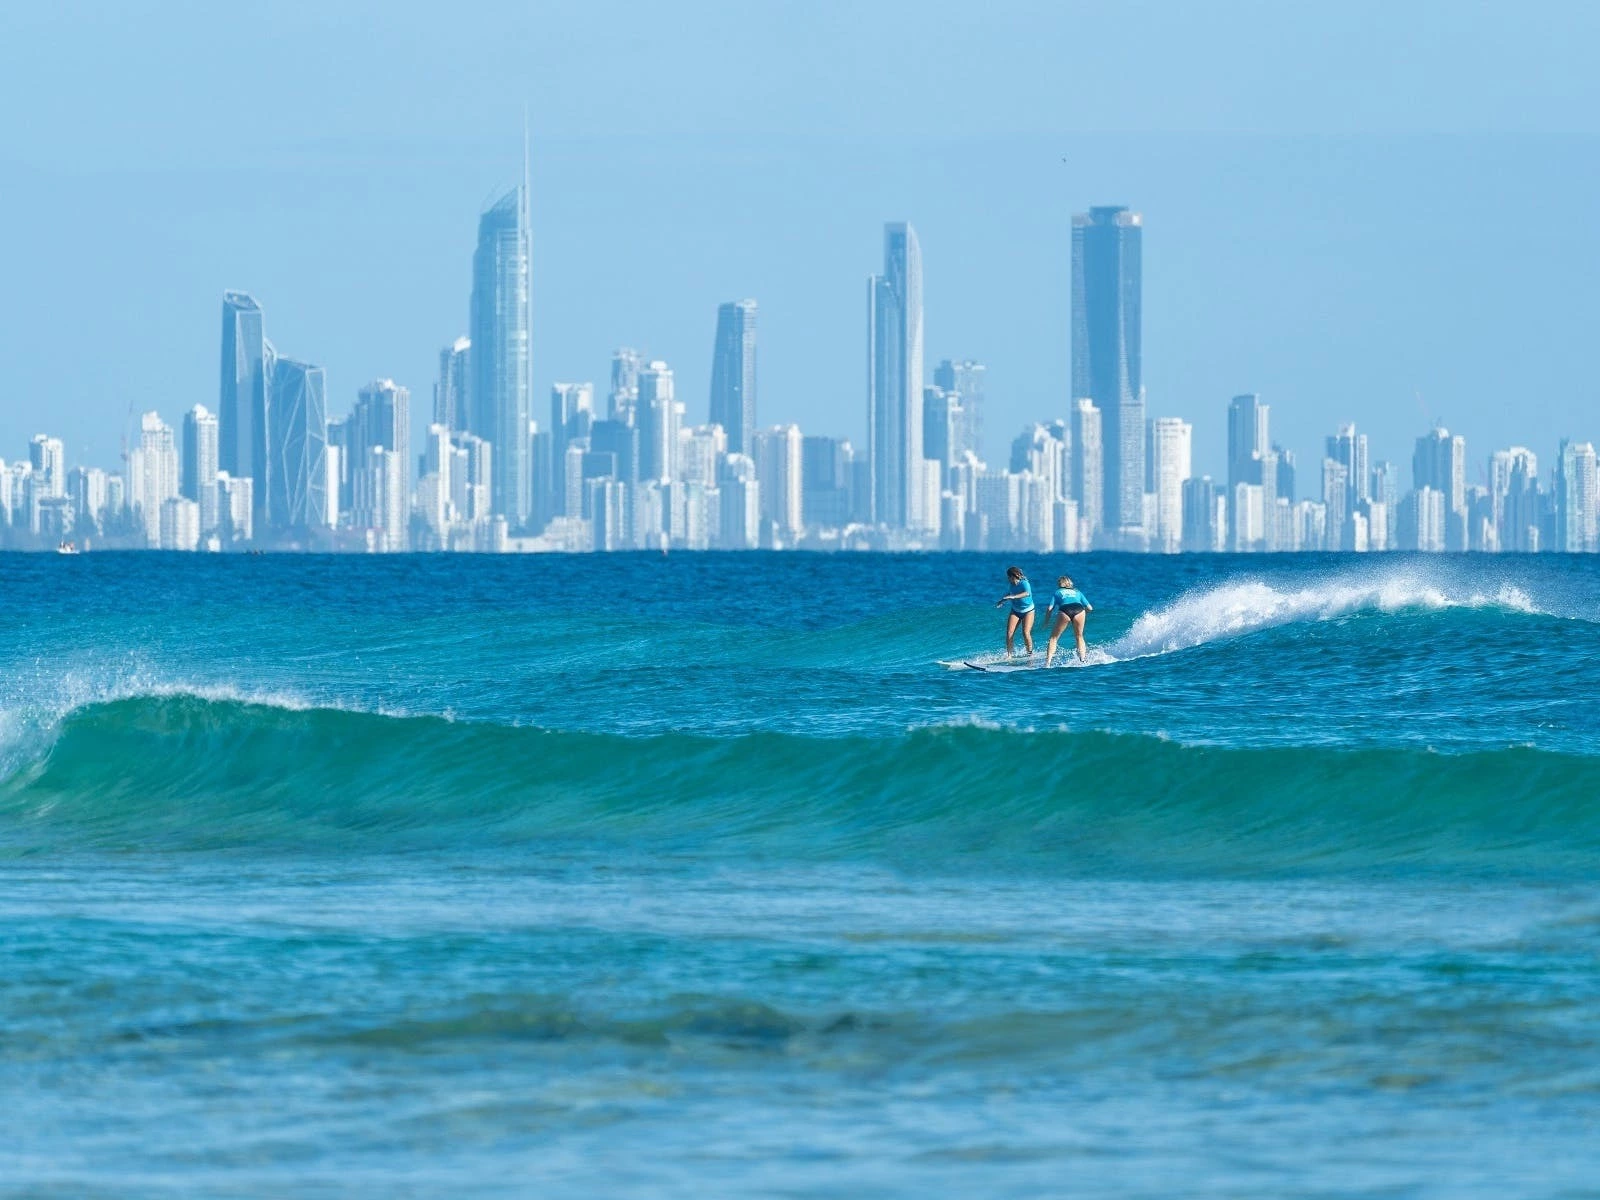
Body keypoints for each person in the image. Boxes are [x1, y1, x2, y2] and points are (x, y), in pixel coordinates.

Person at [1043, 575, 1092, 666]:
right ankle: (1082, 660)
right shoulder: (1077, 592)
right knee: (1079, 636)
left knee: (1053, 638)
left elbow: (1050, 608)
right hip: (1079, 609)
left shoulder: (1057, 592)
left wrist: (1046, 621)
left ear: (1060, 584)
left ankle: (1048, 663)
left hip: (1065, 610)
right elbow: (1090, 608)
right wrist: (1083, 613)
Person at [994, 566, 1035, 657]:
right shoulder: (1011, 585)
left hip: (1028, 611)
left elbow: (1026, 593)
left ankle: (1030, 654)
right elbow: (1010, 593)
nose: (1007, 579)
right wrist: (1002, 601)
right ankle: (1009, 655)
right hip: (1015, 610)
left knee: (1026, 632)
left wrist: (1013, 597)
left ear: (1013, 576)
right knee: (1009, 632)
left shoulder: (1024, 583)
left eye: (1008, 577)